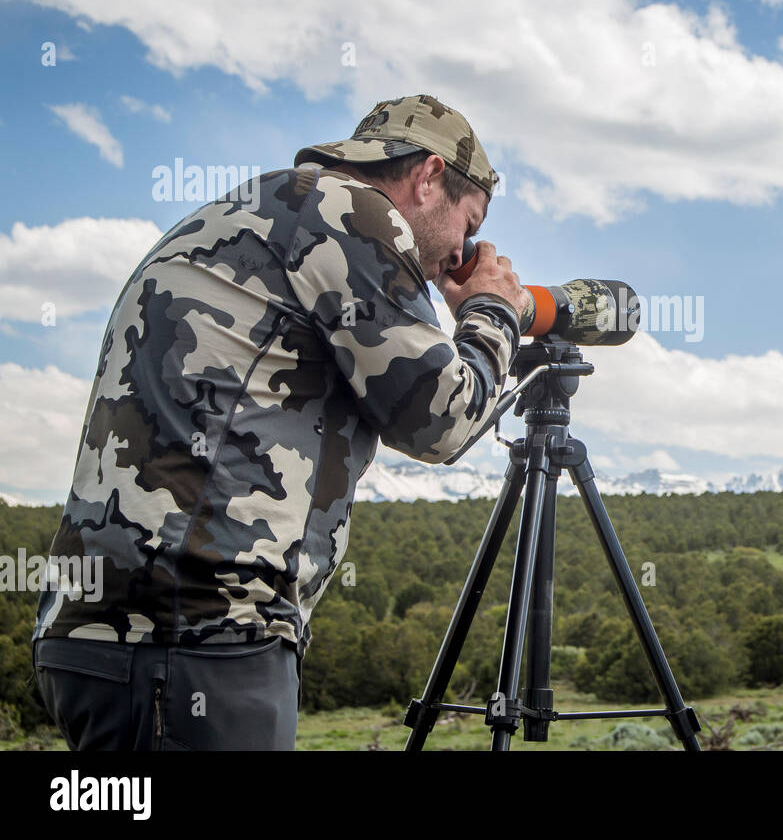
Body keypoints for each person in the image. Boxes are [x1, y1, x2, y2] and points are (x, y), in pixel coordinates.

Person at [30, 94, 528, 750]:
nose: (462, 251)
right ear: (428, 176)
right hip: (201, 635)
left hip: (101, 636)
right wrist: (493, 312)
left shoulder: (248, 210)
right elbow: (442, 421)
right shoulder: (352, 213)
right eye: (469, 222)